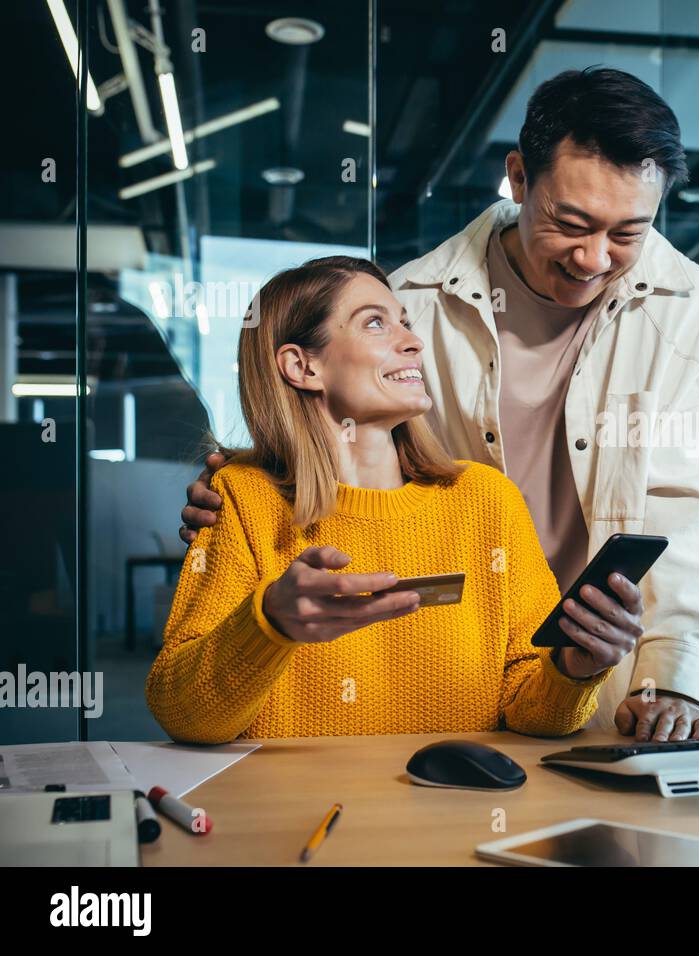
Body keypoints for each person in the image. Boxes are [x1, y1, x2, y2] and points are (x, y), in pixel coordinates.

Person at [180, 67, 699, 742]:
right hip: (455, 666)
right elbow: (340, 434)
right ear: (517, 177)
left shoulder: (688, 307)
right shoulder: (414, 301)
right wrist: (253, 481)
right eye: (571, 223)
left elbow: (697, 510)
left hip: (595, 672)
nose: (594, 257)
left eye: (628, 233)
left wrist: (673, 677)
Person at [148, 256, 635, 744]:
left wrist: (574, 667)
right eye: (376, 323)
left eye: (404, 321)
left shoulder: (488, 500)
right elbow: (186, 716)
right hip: (295, 815)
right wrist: (268, 623)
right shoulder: (242, 497)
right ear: (302, 365)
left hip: (452, 810)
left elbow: (533, 711)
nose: (413, 341)